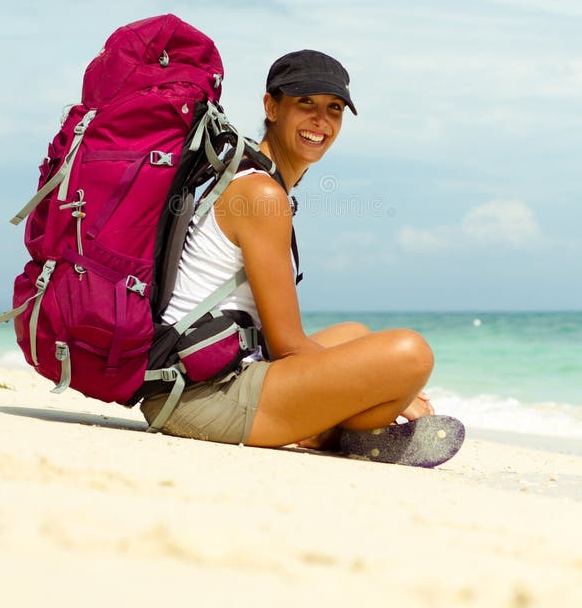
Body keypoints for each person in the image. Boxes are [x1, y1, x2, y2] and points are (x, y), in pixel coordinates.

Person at [141, 49, 436, 457]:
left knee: (354, 335)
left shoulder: (249, 174)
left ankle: (328, 428)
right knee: (410, 355)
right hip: (201, 399)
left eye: (334, 109)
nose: (321, 121)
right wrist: (400, 395)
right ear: (271, 106)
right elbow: (288, 347)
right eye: (306, 104)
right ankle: (334, 433)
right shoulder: (261, 193)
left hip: (198, 378)